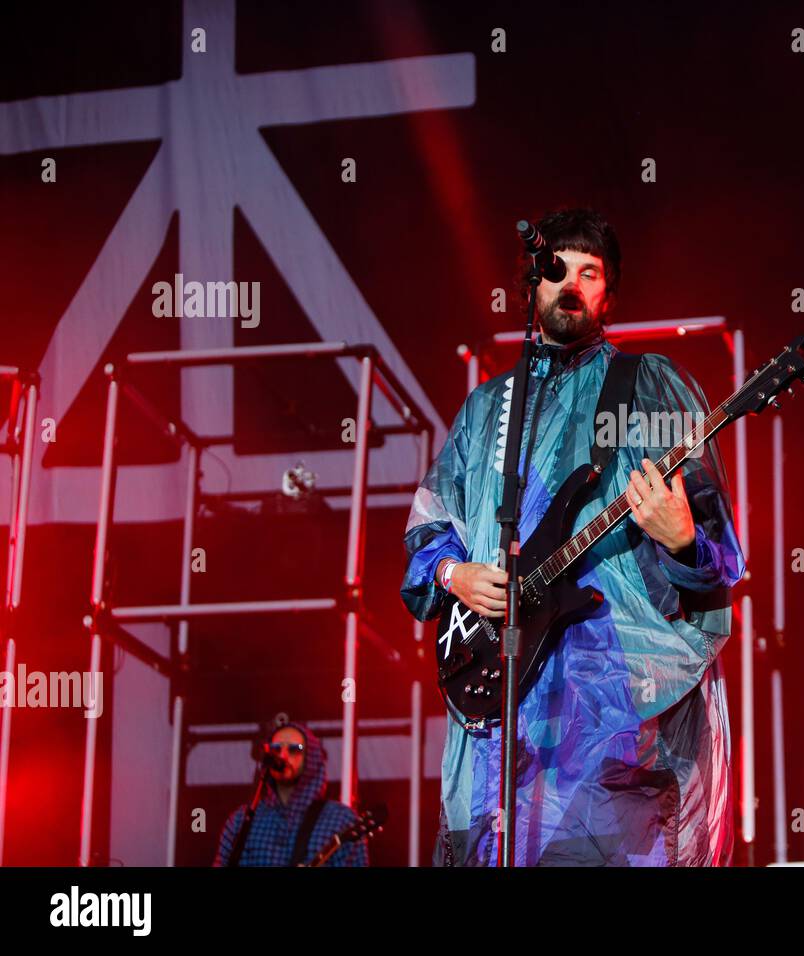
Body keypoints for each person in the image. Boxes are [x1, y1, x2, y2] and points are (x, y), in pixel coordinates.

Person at [401, 207, 744, 866]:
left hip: (612, 715)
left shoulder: (647, 387)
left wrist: (681, 541)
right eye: (560, 269)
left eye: (591, 274)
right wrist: (455, 575)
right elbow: (427, 530)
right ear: (533, 286)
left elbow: (718, 557)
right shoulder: (485, 409)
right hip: (497, 709)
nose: (574, 285)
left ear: (607, 297)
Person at [213, 720, 368, 866]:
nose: (283, 755)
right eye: (276, 749)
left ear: (311, 758)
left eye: (294, 749)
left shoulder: (341, 820)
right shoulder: (241, 821)